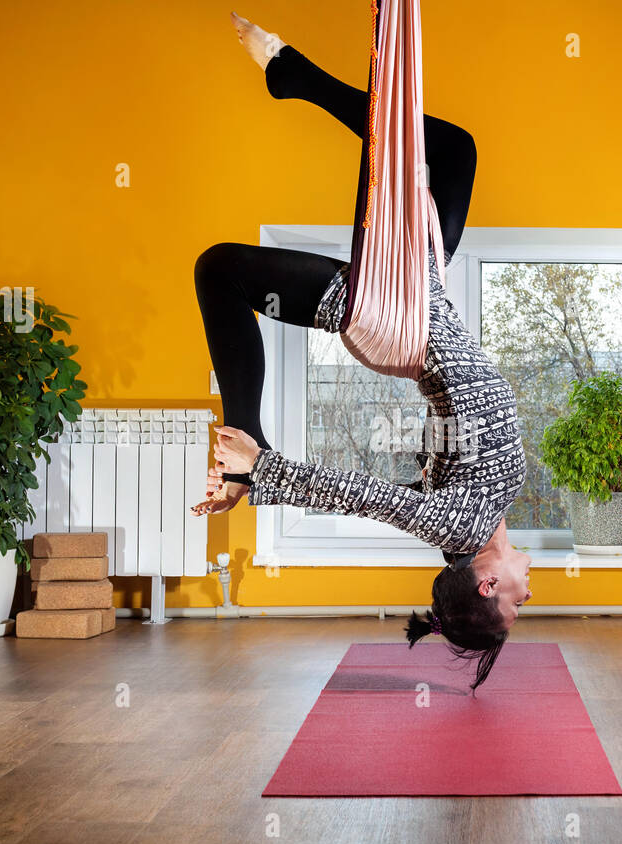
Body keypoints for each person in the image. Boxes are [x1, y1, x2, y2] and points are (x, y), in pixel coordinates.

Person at [192, 13, 530, 690]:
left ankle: (243, 447)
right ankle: (296, 77)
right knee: (451, 152)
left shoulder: (460, 522)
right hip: (423, 290)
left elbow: (364, 494)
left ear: (487, 580)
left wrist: (267, 469)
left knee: (218, 269)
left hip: (394, 316)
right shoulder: (478, 509)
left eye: (517, 600)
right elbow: (405, 487)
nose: (530, 591)